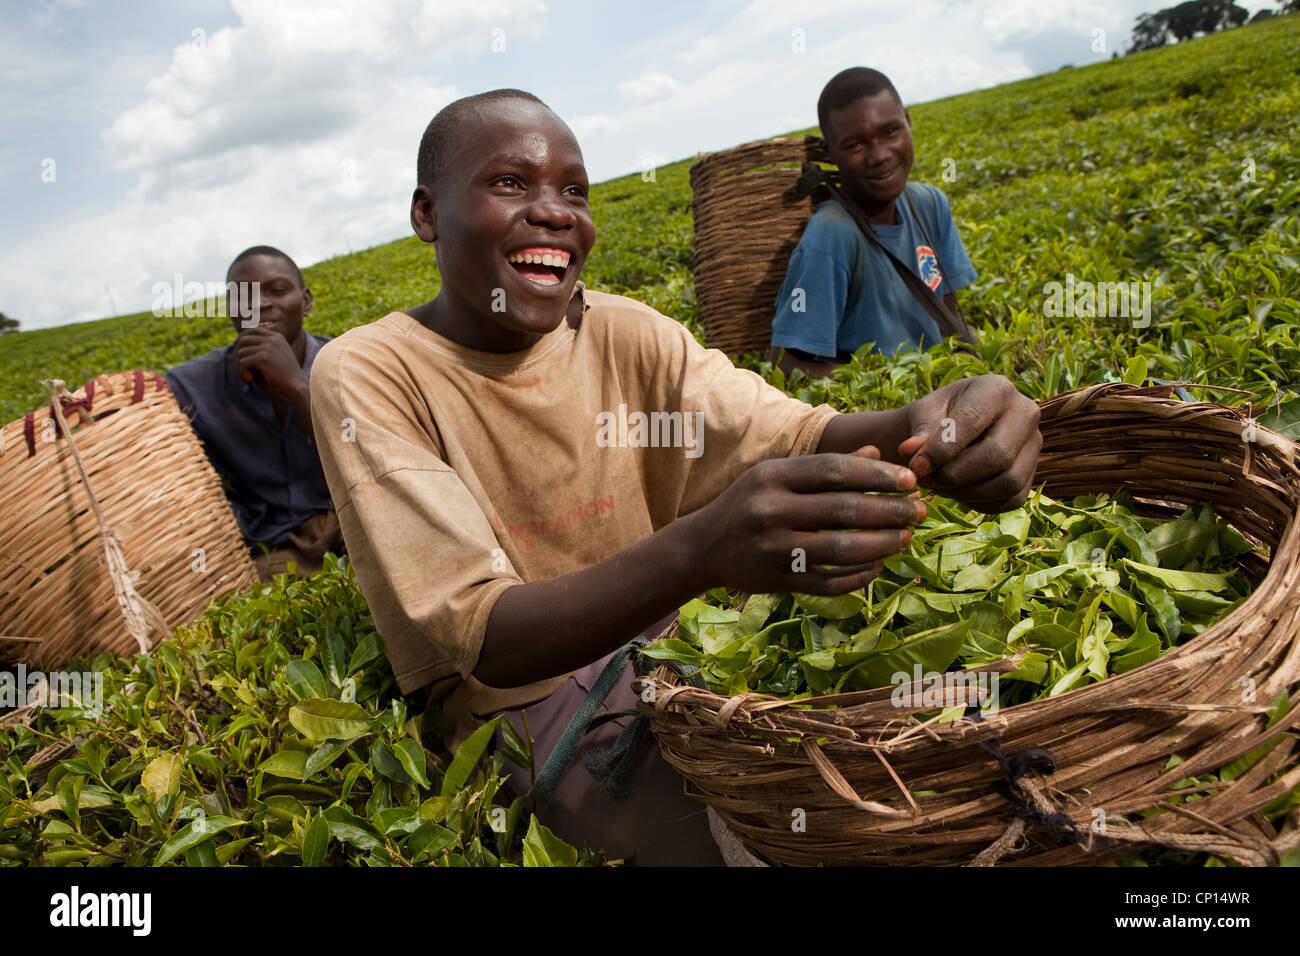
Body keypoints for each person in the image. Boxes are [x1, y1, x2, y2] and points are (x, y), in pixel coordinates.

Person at [309, 89, 1040, 865]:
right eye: (511, 184)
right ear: (427, 215)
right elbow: (487, 641)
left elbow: (796, 431)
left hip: (679, 650)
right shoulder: (371, 371)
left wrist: (934, 420)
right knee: (774, 845)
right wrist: (703, 550)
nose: (554, 211)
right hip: (534, 705)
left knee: (929, 779)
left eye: (574, 190)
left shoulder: (626, 331)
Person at [769, 67, 979, 379]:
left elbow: (946, 315)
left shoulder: (929, 203)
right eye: (855, 145)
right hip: (890, 410)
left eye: (890, 131)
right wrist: (879, 386)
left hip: (938, 385)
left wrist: (971, 355)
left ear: (908, 121)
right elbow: (783, 363)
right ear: (831, 153)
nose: (879, 155)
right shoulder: (832, 234)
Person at [167, 246, 342, 579]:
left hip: (355, 519)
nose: (260, 304)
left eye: (277, 290)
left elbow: (369, 458)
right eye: (242, 296)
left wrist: (297, 385)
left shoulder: (346, 360)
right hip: (270, 545)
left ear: (305, 302)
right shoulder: (193, 385)